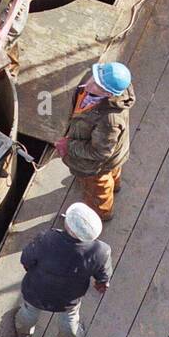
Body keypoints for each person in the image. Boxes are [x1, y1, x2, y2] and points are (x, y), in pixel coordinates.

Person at [14, 202, 111, 337]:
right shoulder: (101, 251)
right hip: (68, 298)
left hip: (36, 291)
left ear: (68, 226)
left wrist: (28, 266)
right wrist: (102, 283)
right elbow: (103, 274)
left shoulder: (46, 238)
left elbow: (26, 258)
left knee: (28, 313)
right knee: (70, 320)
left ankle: (23, 335)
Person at [55, 61, 133, 221]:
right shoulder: (91, 90)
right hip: (112, 153)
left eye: (98, 86)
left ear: (110, 94)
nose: (89, 85)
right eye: (94, 78)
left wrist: (69, 146)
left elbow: (100, 152)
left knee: (99, 188)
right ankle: (115, 184)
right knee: (113, 170)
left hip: (97, 165)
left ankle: (101, 212)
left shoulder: (109, 120)